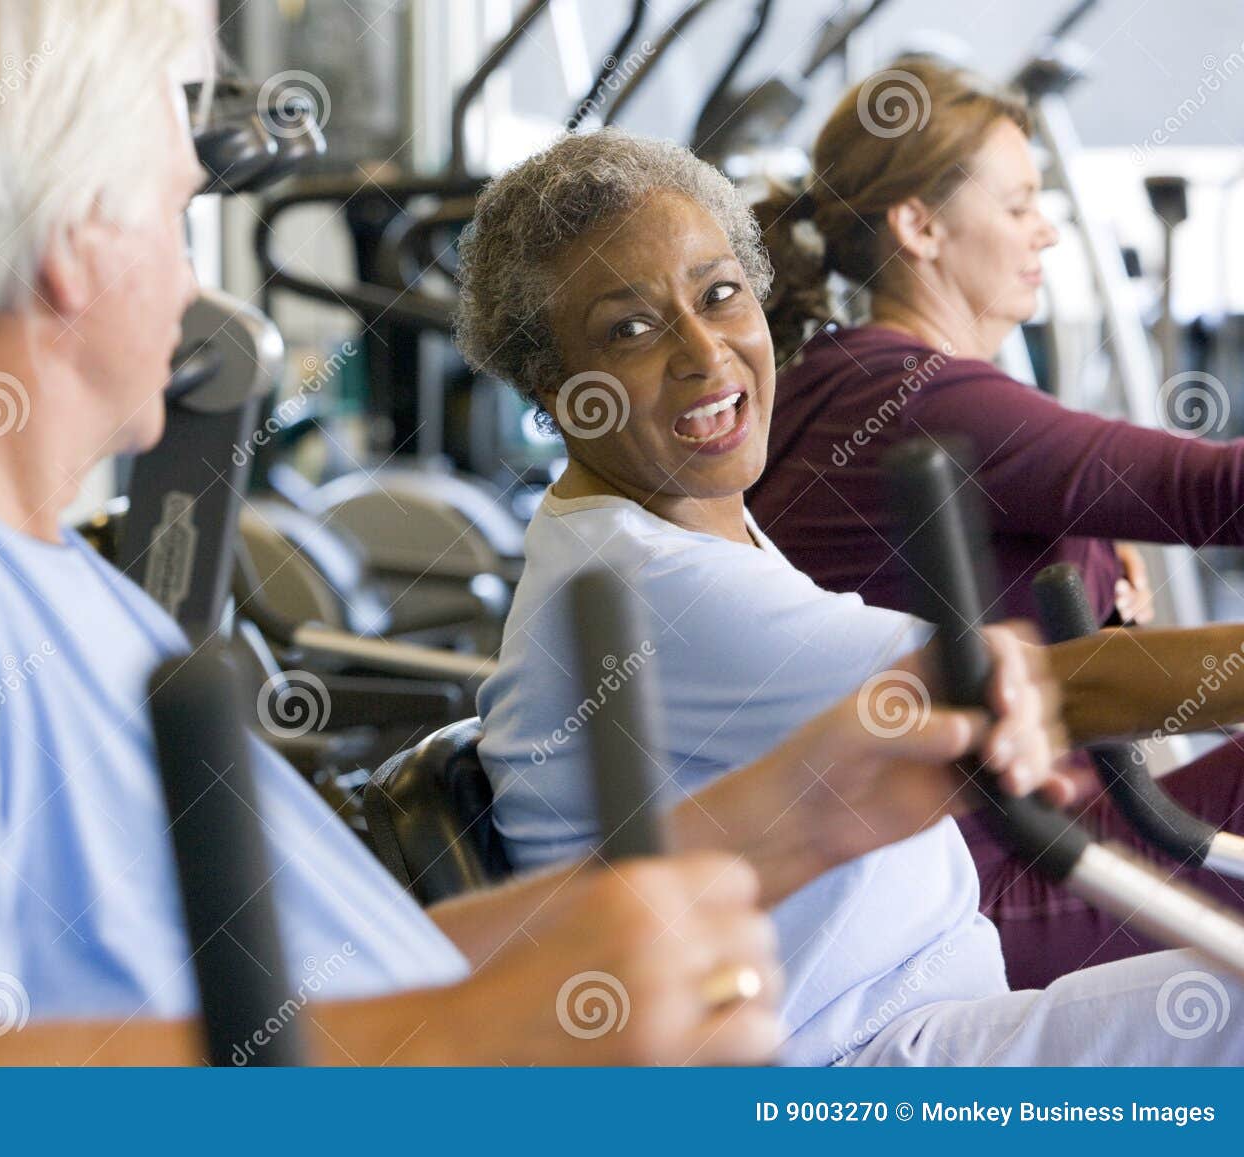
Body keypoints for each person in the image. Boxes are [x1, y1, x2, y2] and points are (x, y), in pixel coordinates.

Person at [0, 0, 1052, 1069]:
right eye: (175, 217)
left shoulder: (11, 571)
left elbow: (296, 1007)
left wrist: (790, 817)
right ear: (76, 240)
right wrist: (470, 1034)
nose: (190, 287)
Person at [456, 125, 1244, 1066]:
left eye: (719, 294)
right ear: (552, 385)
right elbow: (1043, 688)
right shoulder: (642, 581)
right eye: (630, 329)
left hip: (922, 1017)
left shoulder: (667, 522)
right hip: (844, 1069)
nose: (704, 352)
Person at [743, 59, 1244, 987]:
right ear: (920, 226)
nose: (1045, 229)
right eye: (1017, 206)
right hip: (976, 894)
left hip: (1007, 850)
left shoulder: (850, 376)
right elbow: (1216, 494)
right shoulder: (918, 396)